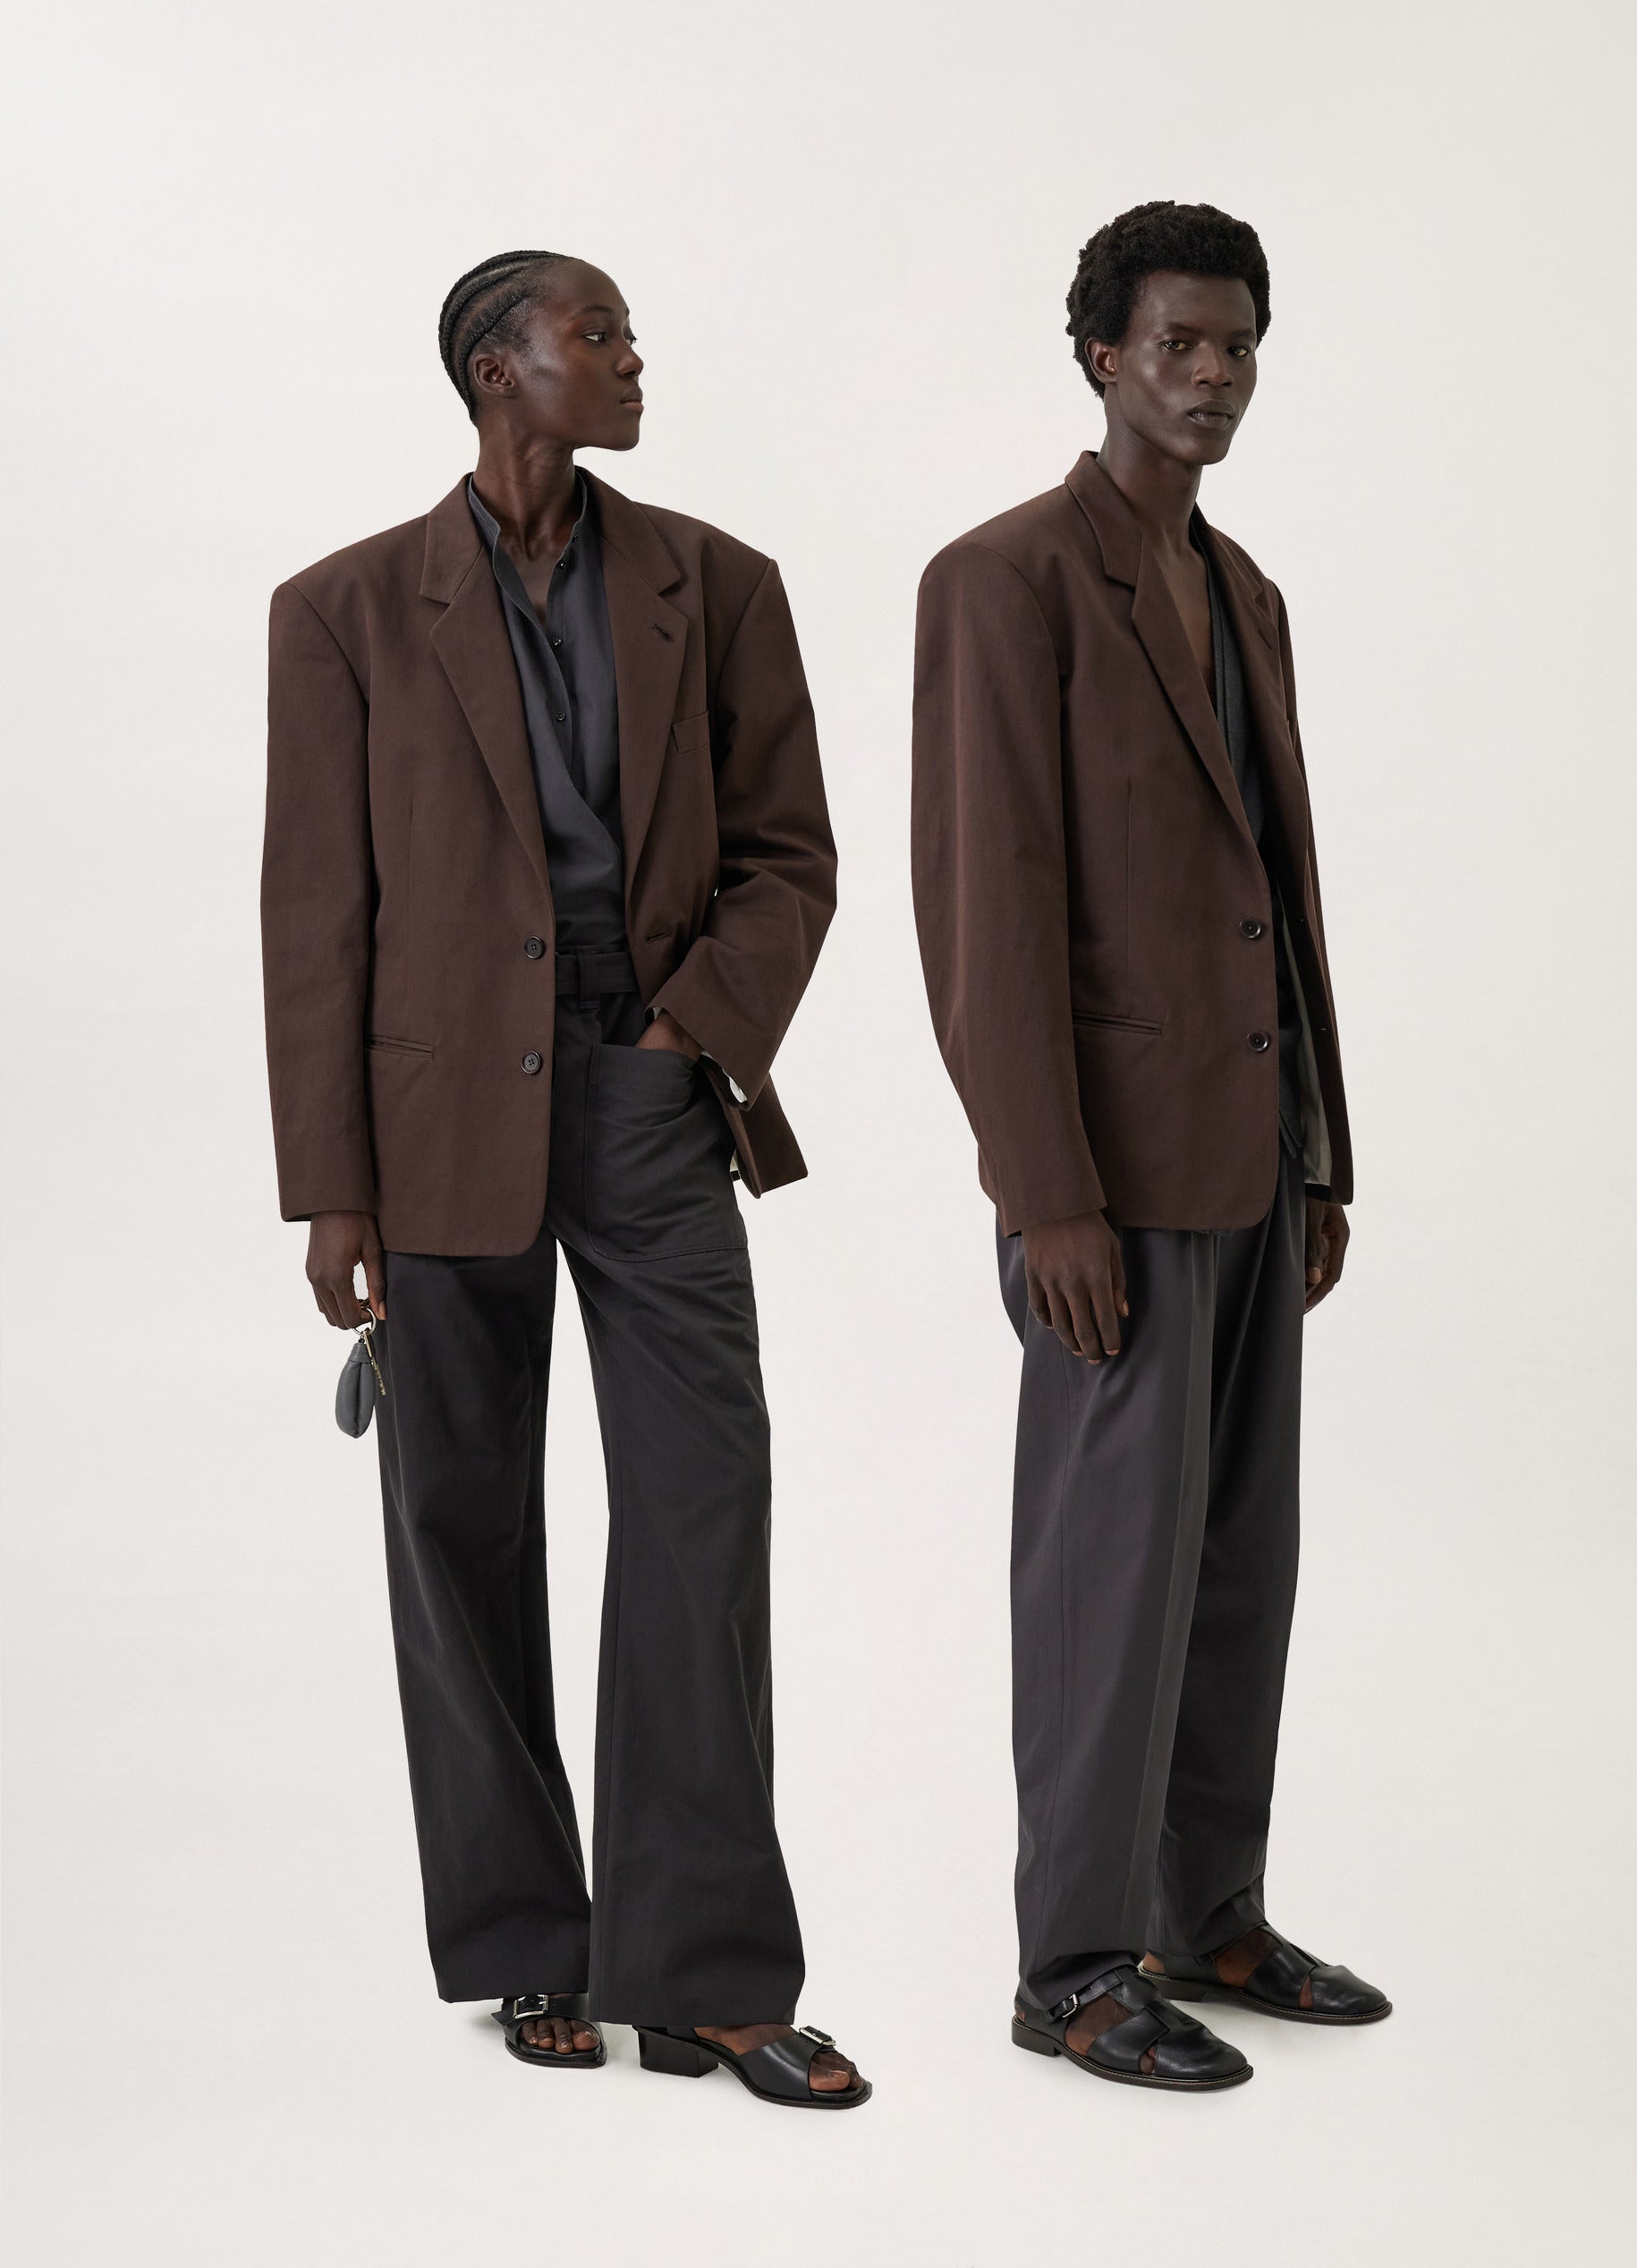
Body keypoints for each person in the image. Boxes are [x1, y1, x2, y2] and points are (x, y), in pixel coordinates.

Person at [261, 248, 867, 2109]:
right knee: (459, 1518)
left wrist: (692, 1030)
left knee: (704, 1501)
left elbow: (791, 853)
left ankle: (704, 1975)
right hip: (435, 1115)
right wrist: (331, 1183)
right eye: (591, 333)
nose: (628, 356)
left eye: (624, 331)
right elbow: (315, 913)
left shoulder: (718, 583)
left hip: (648, 1091)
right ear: (492, 370)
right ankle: (528, 1937)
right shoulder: (344, 610)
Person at [912, 201, 1389, 2094]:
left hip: (1253, 1148)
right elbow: (986, 914)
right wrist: (1044, 1193)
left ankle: (1211, 1910)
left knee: (1239, 1557)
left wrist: (1319, 1150)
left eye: (1238, 346)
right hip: (1103, 1175)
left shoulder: (1244, 588)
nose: (1213, 377)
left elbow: (1278, 881)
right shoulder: (1003, 581)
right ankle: (1072, 1965)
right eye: (1178, 344)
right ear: (1100, 354)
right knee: (1106, 1573)